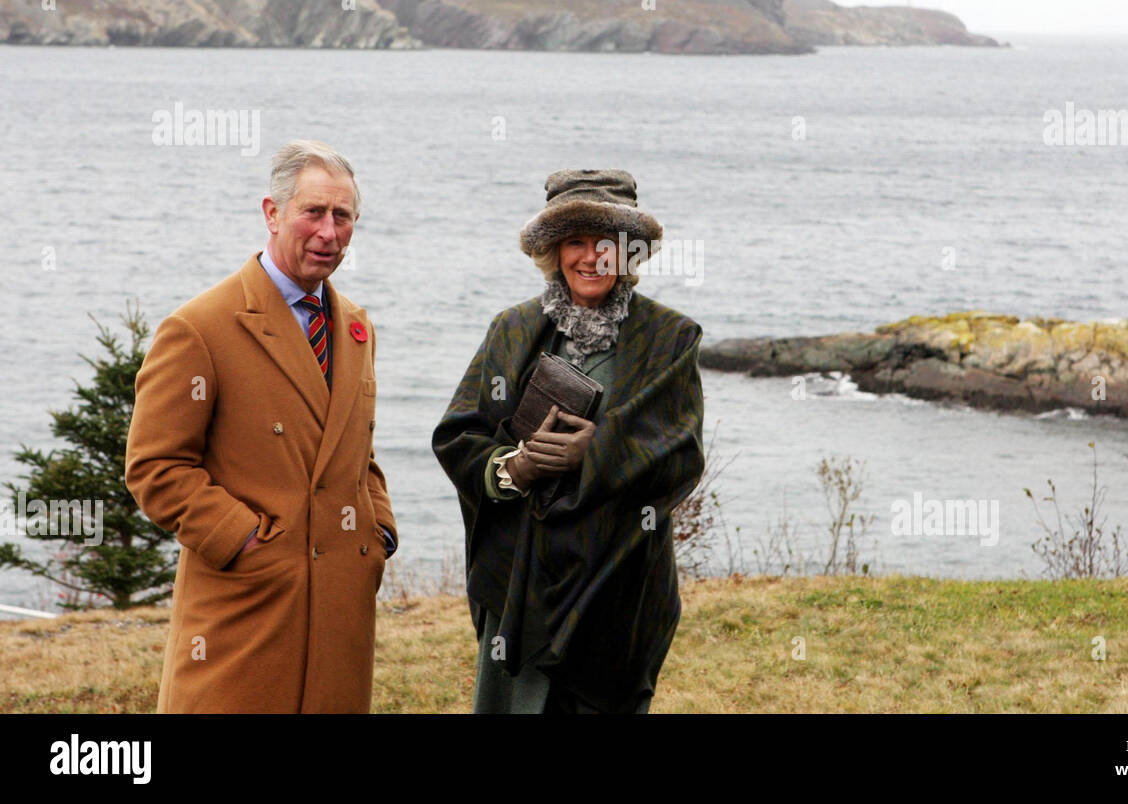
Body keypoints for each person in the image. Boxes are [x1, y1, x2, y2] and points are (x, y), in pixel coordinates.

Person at [125, 140, 397, 713]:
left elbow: (357, 454)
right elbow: (155, 468)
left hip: (341, 614)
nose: (329, 231)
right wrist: (246, 542)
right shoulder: (199, 328)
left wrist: (379, 535)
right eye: (313, 212)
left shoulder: (356, 329)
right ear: (272, 214)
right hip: (242, 617)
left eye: (343, 216)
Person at [434, 168, 704, 713]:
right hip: (517, 584)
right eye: (575, 241)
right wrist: (513, 468)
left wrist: (594, 454)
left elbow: (681, 455)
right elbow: (459, 435)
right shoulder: (511, 329)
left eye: (607, 242)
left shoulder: (671, 338)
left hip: (616, 587)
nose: (591, 257)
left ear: (629, 253)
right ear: (553, 250)